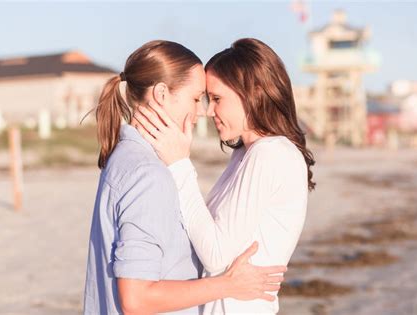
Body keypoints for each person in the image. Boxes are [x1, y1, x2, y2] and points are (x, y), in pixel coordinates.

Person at [83, 40, 287, 315]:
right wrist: (227, 285)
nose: (202, 111)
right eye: (195, 98)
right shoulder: (149, 175)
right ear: (162, 94)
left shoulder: (123, 157)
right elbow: (137, 299)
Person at [134, 38, 315, 314]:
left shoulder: (271, 154)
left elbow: (217, 255)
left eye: (217, 99)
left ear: (254, 92)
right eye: (206, 99)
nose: (208, 111)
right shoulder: (247, 153)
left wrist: (180, 163)